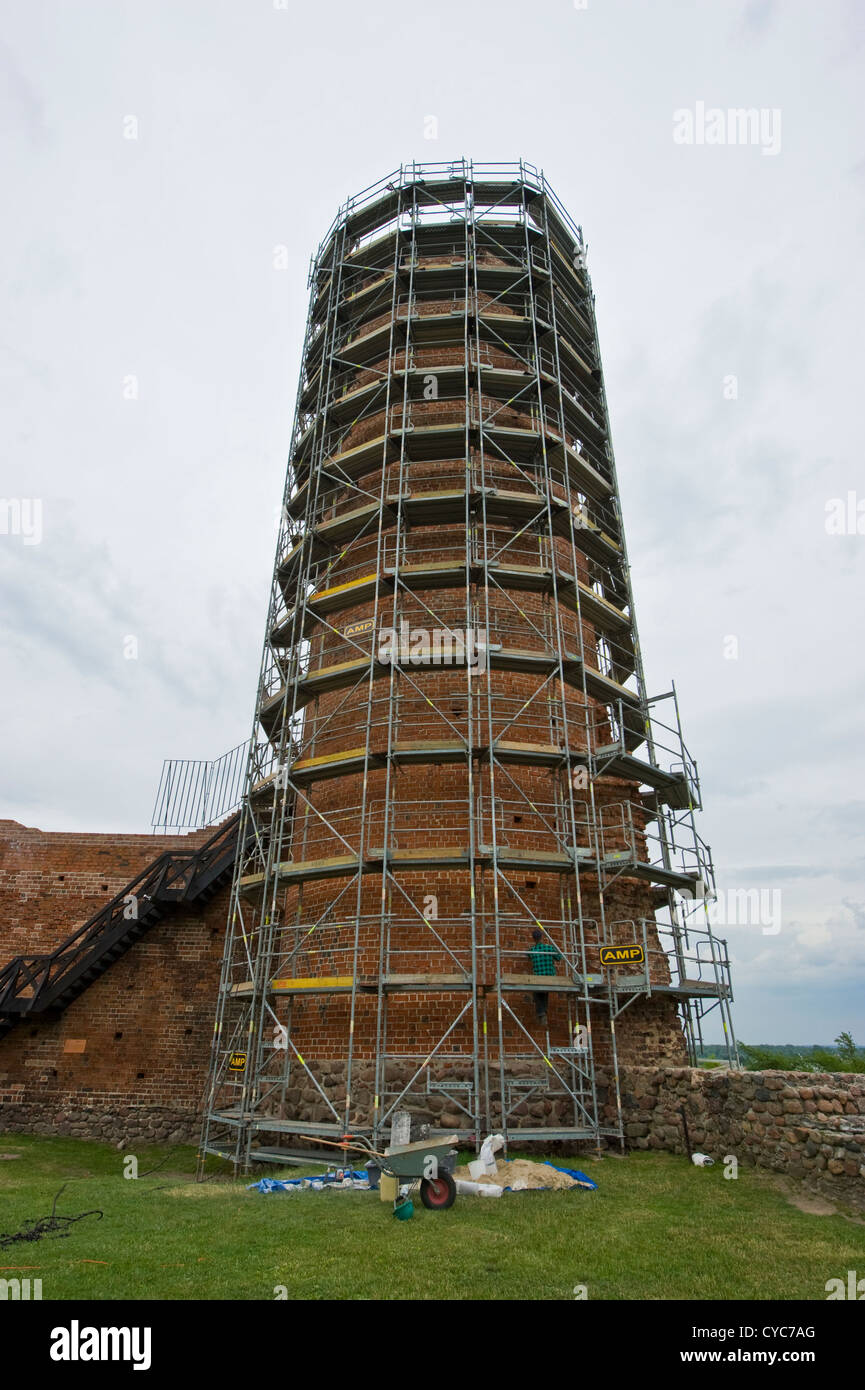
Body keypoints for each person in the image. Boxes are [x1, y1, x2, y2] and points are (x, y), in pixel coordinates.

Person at [528, 928, 562, 1026]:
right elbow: (559, 958)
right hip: (550, 977)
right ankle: (543, 1013)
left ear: (533, 939)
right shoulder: (549, 948)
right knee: (544, 992)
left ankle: (542, 1013)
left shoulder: (532, 950)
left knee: (537, 992)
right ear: (542, 937)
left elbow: (528, 956)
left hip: (538, 978)